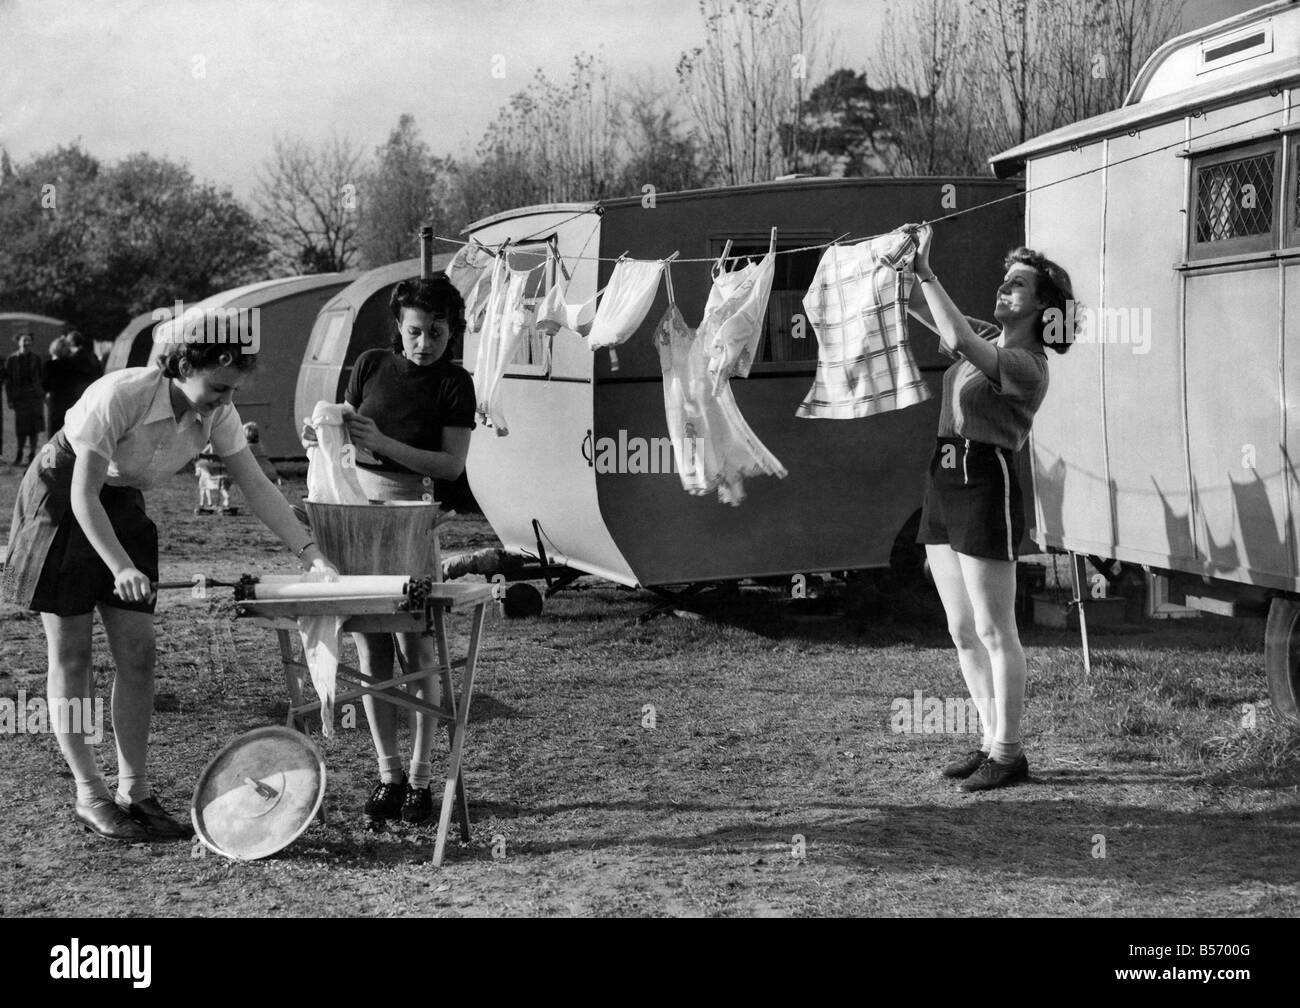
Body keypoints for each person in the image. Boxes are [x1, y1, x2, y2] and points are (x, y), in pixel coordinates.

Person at [1, 337, 337, 842]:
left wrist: (311, 554)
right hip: (63, 496)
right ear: (182, 367)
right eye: (217, 387)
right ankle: (89, 792)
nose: (224, 400)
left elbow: (256, 484)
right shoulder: (120, 394)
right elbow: (83, 495)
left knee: (138, 653)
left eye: (232, 391)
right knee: (72, 655)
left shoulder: (218, 412)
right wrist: (119, 566)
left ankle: (133, 791)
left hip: (122, 504)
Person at [902, 223, 1074, 792]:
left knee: (996, 629)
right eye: (1004, 281)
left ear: (1044, 308)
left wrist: (927, 271)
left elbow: (953, 338)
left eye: (1018, 286)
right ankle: (986, 741)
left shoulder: (1029, 364)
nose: (1003, 290)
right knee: (960, 627)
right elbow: (929, 314)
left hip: (983, 479)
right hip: (943, 474)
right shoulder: (989, 340)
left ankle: (1010, 751)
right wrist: (906, 266)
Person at [332, 275, 474, 827]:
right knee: (371, 652)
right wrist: (322, 432)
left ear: (452, 331)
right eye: (415, 331)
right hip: (358, 514)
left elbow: (451, 465)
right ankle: (387, 774)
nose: (424, 343)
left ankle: (419, 780)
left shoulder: (455, 384)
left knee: (418, 652)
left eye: (437, 332)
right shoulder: (370, 364)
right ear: (398, 327)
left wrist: (384, 445)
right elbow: (345, 435)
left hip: (413, 515)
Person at [5, 331, 44, 465]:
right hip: (19, 398)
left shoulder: (37, 358)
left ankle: (32, 454)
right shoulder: (11, 359)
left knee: (34, 427)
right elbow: (8, 382)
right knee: (21, 428)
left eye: (29, 340)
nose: (27, 343)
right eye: (24, 340)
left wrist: (41, 393)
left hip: (34, 397)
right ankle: (19, 453)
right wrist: (10, 399)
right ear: (18, 342)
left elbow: (41, 377)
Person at [43, 335, 75, 436]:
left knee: (53, 430)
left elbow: (44, 385)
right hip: (69, 400)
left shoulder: (49, 365)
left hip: (55, 400)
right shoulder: (72, 364)